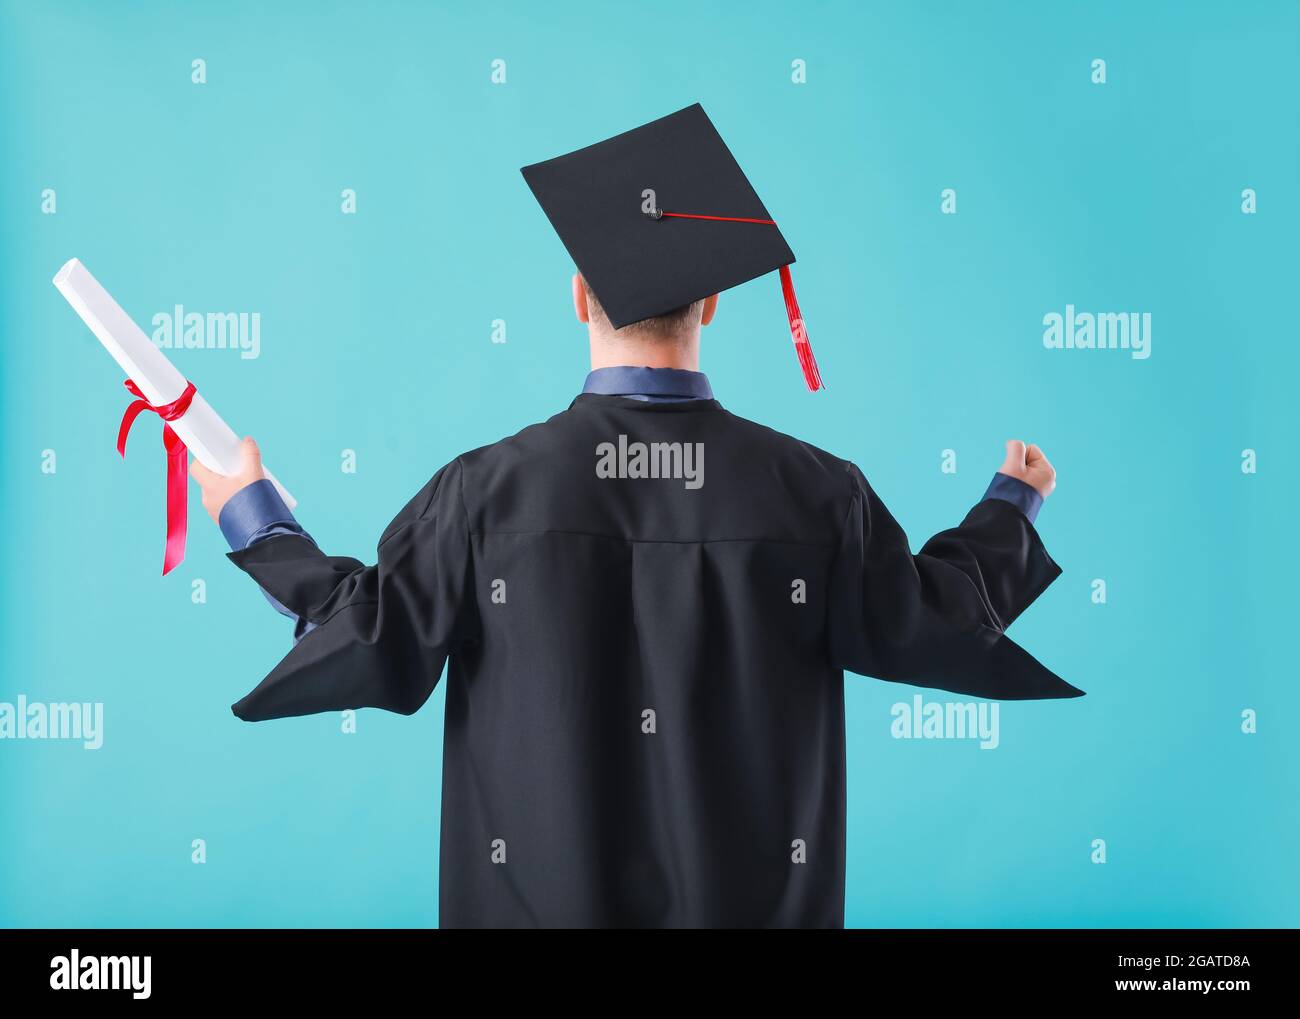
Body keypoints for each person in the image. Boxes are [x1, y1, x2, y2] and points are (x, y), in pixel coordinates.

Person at [191, 104, 1081, 928]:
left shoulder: (484, 491)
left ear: (580, 295)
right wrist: (1011, 504)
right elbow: (935, 618)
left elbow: (366, 632)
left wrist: (254, 519)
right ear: (714, 303)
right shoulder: (815, 492)